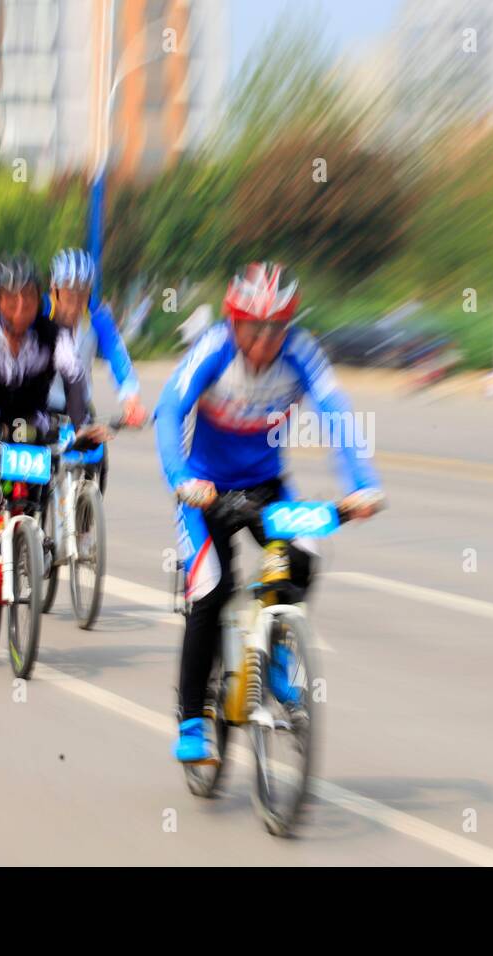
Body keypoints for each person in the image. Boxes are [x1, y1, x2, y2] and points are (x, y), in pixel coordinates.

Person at [154, 261, 385, 764]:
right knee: (211, 589)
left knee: (304, 554)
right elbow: (168, 411)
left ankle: (277, 645)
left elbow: (337, 414)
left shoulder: (301, 353)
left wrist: (362, 484)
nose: (265, 340)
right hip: (204, 491)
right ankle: (192, 720)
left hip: (265, 486)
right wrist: (181, 480)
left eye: (277, 328)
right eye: (254, 328)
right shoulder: (213, 350)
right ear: (233, 323)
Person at [0, 253, 110, 634]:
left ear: (39, 299)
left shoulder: (55, 335)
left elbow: (75, 379)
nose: (21, 308)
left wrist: (83, 425)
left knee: (35, 491)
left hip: (32, 417)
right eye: (12, 299)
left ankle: (30, 538)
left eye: (29, 299)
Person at [44, 248, 148, 493]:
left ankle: (85, 524)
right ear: (54, 291)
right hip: (40, 405)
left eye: (82, 294)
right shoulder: (38, 315)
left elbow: (118, 357)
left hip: (78, 406)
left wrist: (131, 399)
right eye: (69, 294)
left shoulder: (98, 317)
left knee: (97, 462)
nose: (75, 303)